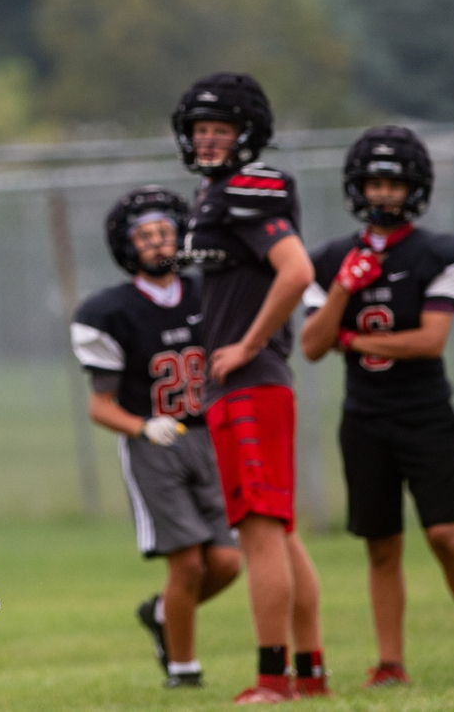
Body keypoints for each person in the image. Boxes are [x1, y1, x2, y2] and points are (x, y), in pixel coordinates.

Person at [299, 125, 454, 687]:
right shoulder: (331, 260)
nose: (383, 193)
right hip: (363, 417)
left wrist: (351, 340)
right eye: (374, 182)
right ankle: (390, 664)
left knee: (444, 535)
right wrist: (341, 292)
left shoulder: (442, 253)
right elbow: (310, 346)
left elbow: (430, 341)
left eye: (393, 183)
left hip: (424, 412)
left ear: (415, 189)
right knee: (381, 546)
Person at [174, 73, 329, 704]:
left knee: (260, 532)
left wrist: (249, 342)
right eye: (201, 130)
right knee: (281, 531)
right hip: (248, 388)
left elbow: (296, 272)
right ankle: (311, 674)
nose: (209, 141)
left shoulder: (249, 188)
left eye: (221, 130)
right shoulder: (218, 191)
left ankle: (274, 680)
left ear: (246, 135)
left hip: (251, 384)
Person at [70, 186, 242, 689]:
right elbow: (100, 406)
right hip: (155, 445)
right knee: (187, 561)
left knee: (227, 563)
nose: (157, 243)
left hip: (210, 439)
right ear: (127, 246)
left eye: (165, 232)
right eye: (145, 235)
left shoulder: (206, 293)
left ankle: (163, 614)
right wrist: (144, 425)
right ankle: (184, 671)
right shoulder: (110, 311)